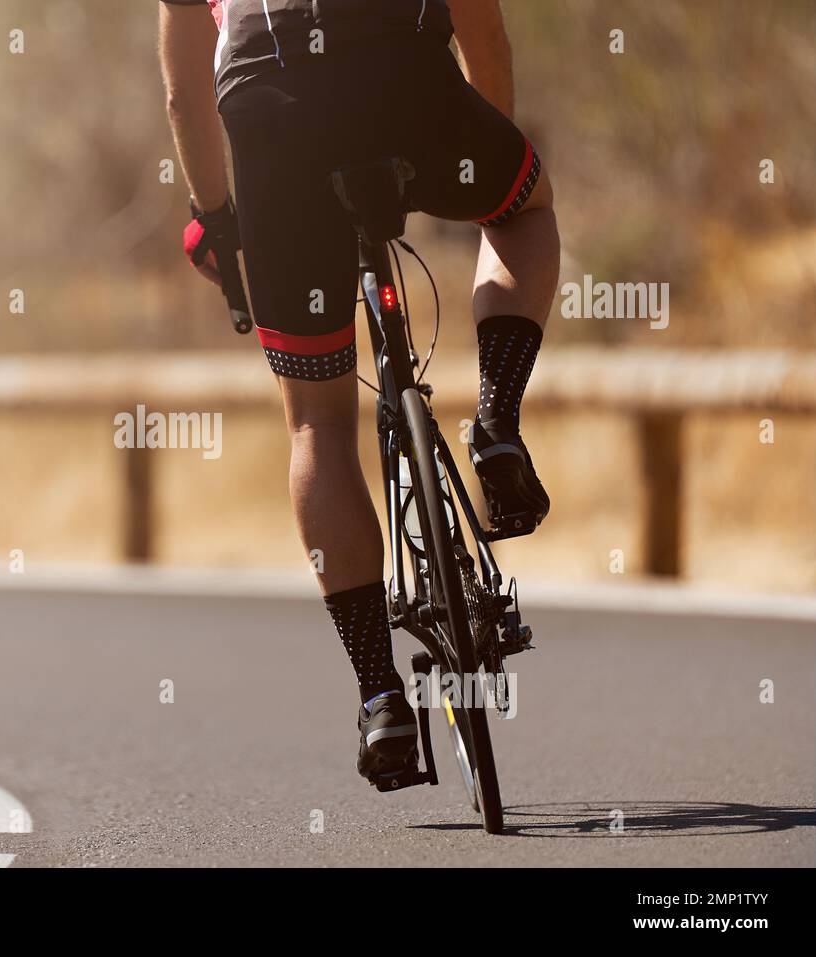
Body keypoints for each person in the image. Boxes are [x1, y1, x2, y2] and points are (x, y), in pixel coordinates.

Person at [158, 0, 559, 785]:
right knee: (524, 212)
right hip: (400, 73)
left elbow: (182, 94)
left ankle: (381, 694)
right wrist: (477, 173)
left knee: (316, 425)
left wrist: (215, 218)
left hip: (269, 109)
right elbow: (483, 29)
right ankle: (496, 421)